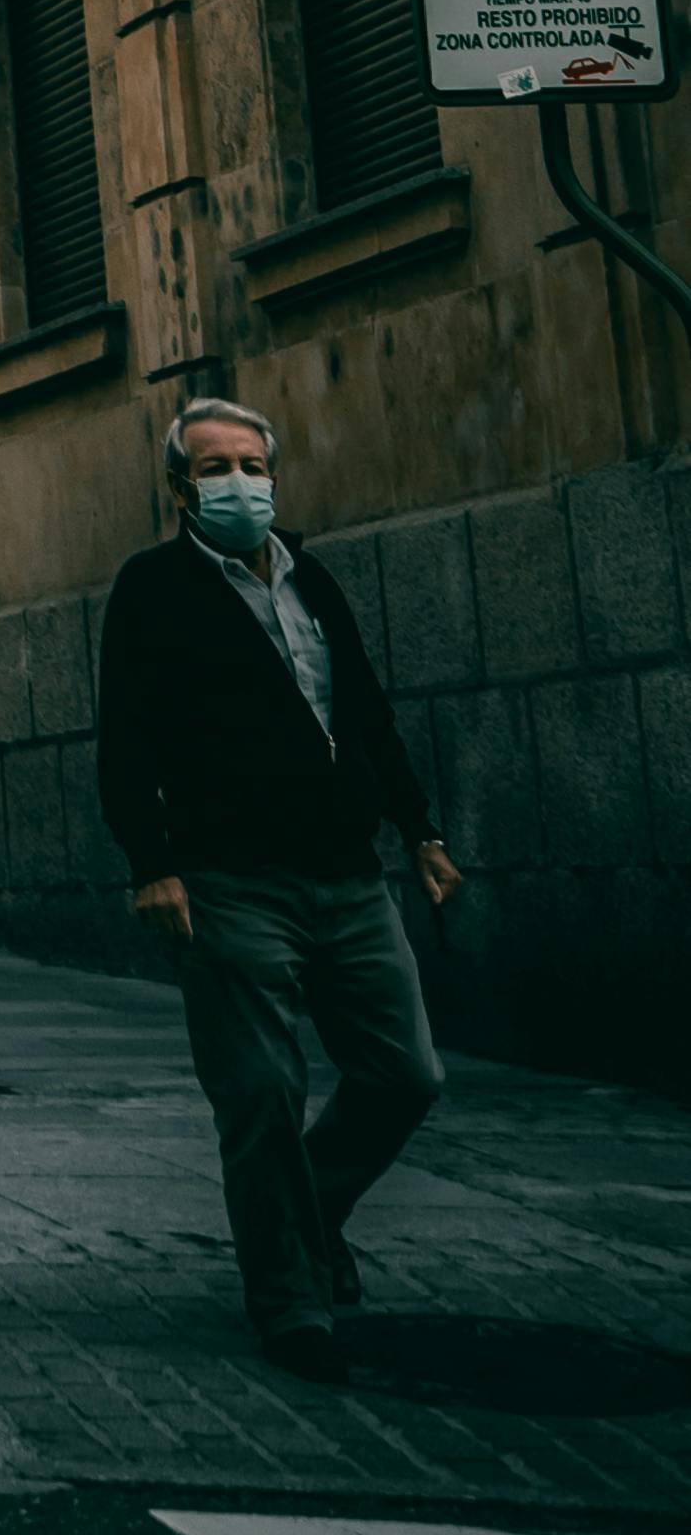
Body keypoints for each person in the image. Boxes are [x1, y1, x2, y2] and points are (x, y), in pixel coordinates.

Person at [95, 396, 460, 1378]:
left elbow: (365, 709)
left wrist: (419, 827)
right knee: (259, 1089)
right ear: (180, 487)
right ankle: (289, 1299)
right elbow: (123, 737)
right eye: (216, 468)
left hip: (347, 874)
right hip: (228, 880)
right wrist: (151, 864)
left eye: (251, 464)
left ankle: (307, 1221)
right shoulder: (153, 589)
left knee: (406, 1074)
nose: (239, 483)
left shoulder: (309, 576)